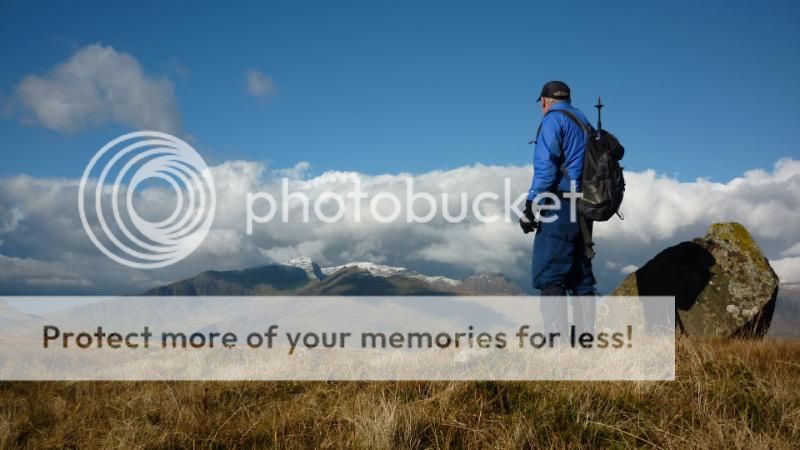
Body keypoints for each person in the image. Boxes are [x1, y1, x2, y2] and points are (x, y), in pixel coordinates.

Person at [524, 80, 596, 340]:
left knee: (550, 273)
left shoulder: (553, 121)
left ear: (545, 101)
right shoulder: (583, 120)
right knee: (581, 275)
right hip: (585, 207)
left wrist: (531, 204)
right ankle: (586, 343)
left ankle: (557, 349)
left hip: (559, 205)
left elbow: (546, 167)